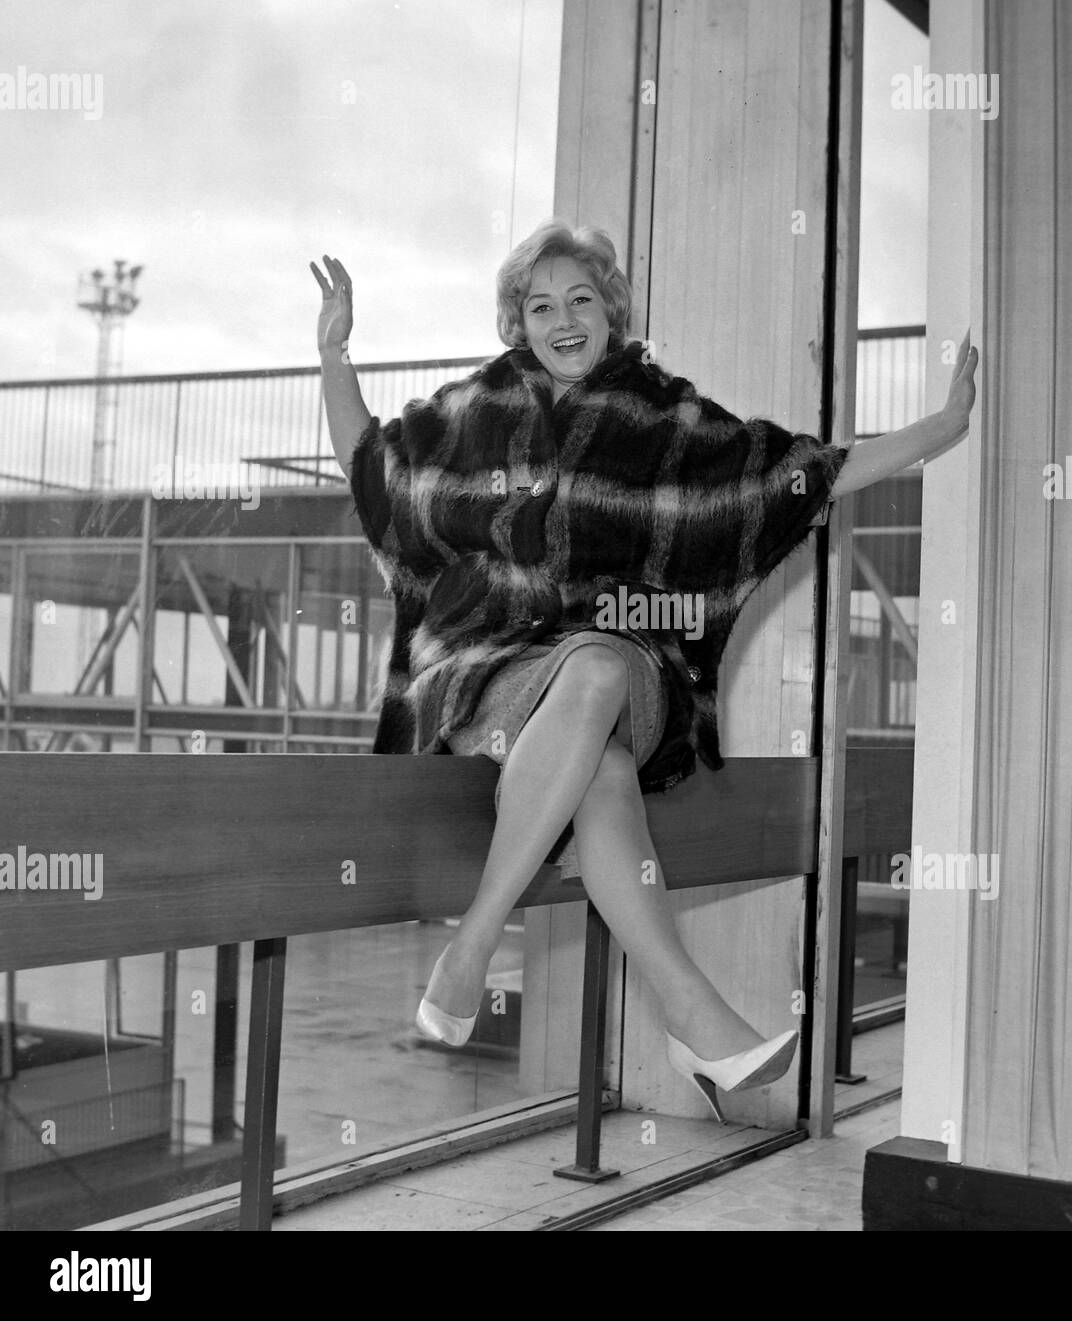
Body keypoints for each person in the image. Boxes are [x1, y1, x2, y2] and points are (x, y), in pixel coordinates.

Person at [310, 221, 977, 1120]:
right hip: (495, 667)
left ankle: (472, 940)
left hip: (631, 662)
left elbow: (793, 474)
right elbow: (373, 472)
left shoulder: (662, 413)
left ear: (611, 308)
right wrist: (335, 356)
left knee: (593, 673)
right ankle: (693, 1012)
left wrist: (940, 427)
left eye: (580, 298)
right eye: (540, 305)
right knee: (602, 768)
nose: (563, 318)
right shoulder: (474, 410)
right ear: (518, 321)